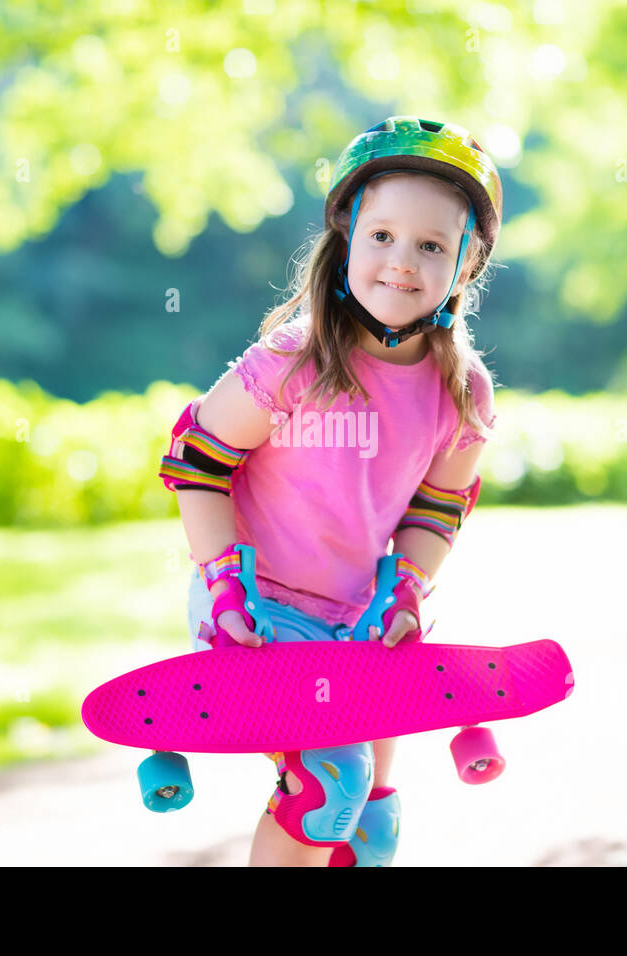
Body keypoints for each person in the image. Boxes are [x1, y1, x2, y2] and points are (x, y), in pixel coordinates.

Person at [158, 116, 503, 866]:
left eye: (431, 246)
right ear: (347, 236)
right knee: (331, 784)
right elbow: (196, 463)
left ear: (466, 262)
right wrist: (223, 587)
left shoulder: (463, 393)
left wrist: (407, 589)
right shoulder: (294, 358)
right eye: (381, 236)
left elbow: (437, 510)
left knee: (374, 821)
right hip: (256, 610)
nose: (402, 262)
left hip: (356, 624)